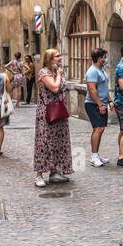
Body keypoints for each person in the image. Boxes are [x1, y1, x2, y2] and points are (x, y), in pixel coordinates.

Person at [33, 48, 73, 187]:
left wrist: (58, 74)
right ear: (50, 59)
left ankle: (54, 172)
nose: (60, 58)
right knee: (45, 143)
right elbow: (55, 88)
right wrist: (60, 75)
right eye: (57, 56)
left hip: (59, 111)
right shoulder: (44, 73)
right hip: (46, 113)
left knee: (58, 142)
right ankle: (39, 174)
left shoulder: (55, 72)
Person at [84, 47, 111, 167]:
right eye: (104, 57)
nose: (106, 59)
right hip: (93, 104)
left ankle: (97, 154)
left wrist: (109, 100)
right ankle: (94, 156)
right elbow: (92, 90)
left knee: (101, 129)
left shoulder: (101, 69)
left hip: (102, 103)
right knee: (98, 129)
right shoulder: (92, 71)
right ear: (100, 58)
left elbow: (103, 87)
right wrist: (100, 104)